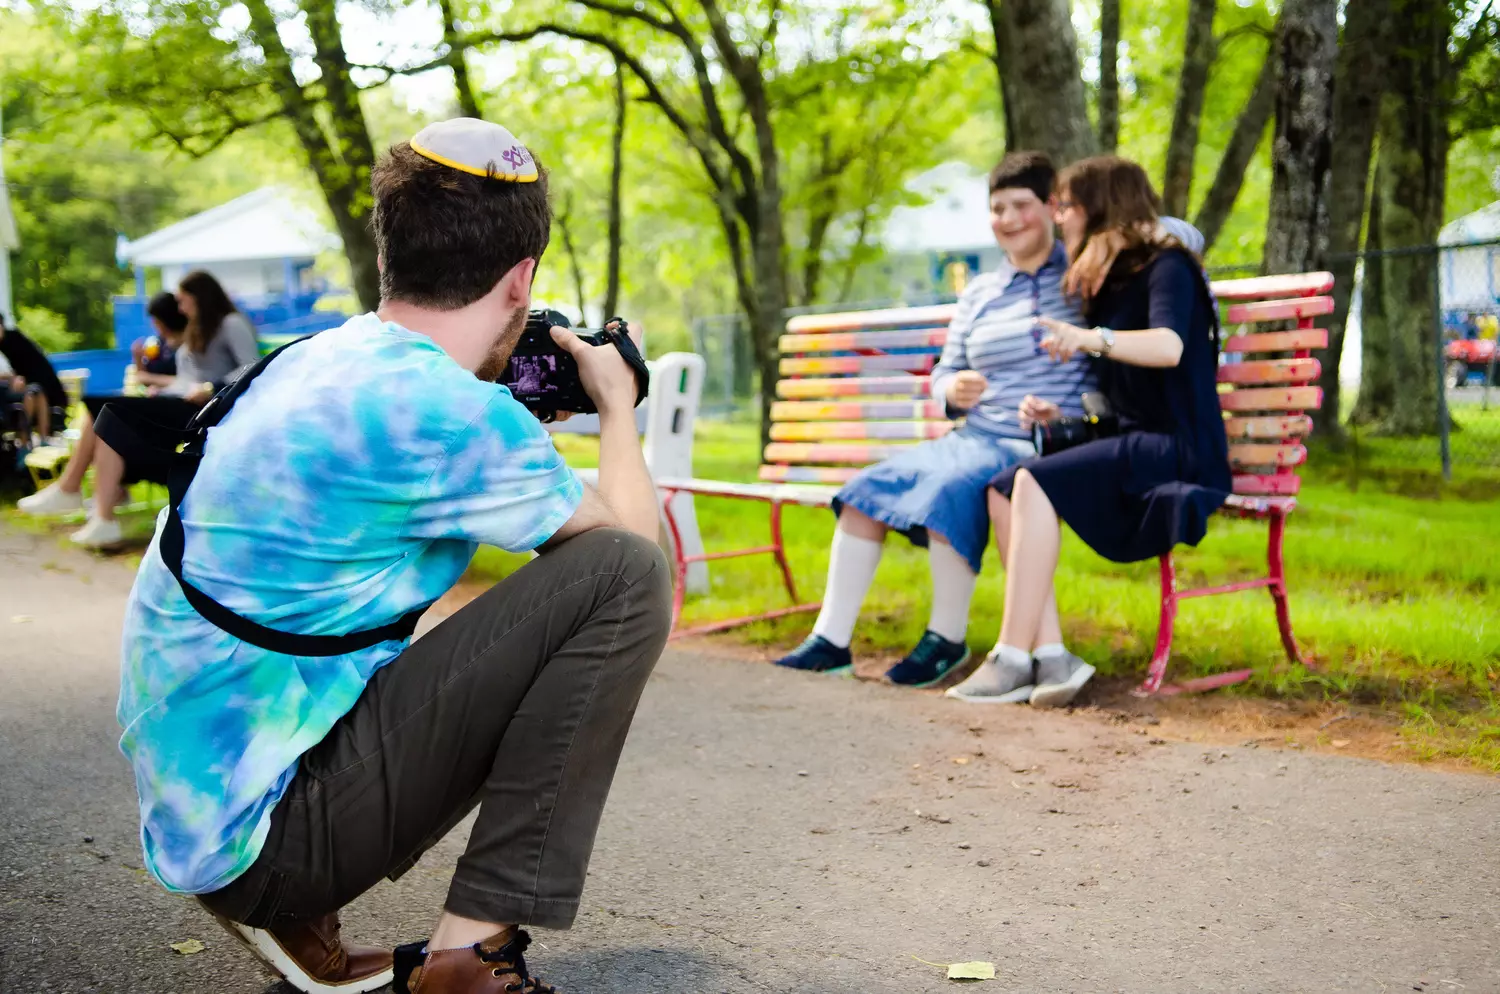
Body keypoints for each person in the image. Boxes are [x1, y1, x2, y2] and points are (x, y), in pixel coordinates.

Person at [115, 118, 670, 994]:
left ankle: (300, 916)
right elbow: (635, 567)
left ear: (391, 253)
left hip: (199, 810)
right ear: (521, 277)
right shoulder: (454, 414)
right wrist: (616, 409)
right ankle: (469, 958)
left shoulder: (307, 361)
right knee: (625, 579)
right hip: (267, 844)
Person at [774, 151, 1204, 688]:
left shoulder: (1083, 270)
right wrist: (951, 388)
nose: (1008, 219)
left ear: (1054, 209)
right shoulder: (979, 291)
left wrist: (1115, 226)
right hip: (974, 432)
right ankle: (830, 640)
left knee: (951, 489)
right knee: (864, 493)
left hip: (1044, 440)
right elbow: (945, 370)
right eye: (997, 208)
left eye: (1022, 205)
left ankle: (945, 638)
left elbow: (1179, 235)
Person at [946, 155, 1232, 707]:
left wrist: (1088, 338)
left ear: (1100, 207)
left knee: (1030, 480)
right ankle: (1050, 658)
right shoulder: (1109, 282)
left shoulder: (1167, 268)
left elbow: (1169, 348)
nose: (1060, 217)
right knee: (1005, 485)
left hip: (1181, 450)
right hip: (1137, 441)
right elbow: (1124, 399)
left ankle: (1010, 657)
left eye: (1068, 205)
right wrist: (1068, 420)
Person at [17, 272, 260, 547]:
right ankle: (101, 518)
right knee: (106, 421)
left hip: (204, 412)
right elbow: (185, 380)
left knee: (102, 407)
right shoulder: (198, 328)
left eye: (183, 300)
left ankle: (70, 489)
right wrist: (163, 387)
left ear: (200, 296)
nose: (180, 308)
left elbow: (252, 366)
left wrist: (211, 387)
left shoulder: (231, 323)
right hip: (180, 402)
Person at [0, 318, 70, 442]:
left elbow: (26, 365)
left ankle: (39, 439)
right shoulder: (7, 342)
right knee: (33, 394)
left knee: (35, 393)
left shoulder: (13, 340)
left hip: (39, 382)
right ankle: (28, 441)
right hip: (21, 386)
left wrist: (18, 378)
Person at [129, 291, 187, 389]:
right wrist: (138, 360)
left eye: (156, 321)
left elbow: (188, 381)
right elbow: (143, 378)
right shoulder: (159, 345)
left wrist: (150, 378)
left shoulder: (190, 344)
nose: (154, 324)